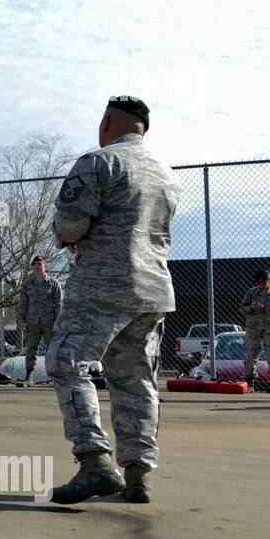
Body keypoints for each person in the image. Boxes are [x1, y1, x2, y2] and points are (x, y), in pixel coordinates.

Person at [46, 96, 178, 505]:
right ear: (144, 130)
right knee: (135, 377)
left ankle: (94, 462)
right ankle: (138, 475)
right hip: (153, 288)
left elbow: (71, 224)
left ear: (106, 123)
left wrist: (66, 236)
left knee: (67, 362)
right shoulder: (166, 172)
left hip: (104, 285)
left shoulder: (98, 162)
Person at [16, 255, 61, 386]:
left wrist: (58, 323)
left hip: (49, 323)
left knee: (52, 351)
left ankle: (56, 378)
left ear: (45, 266)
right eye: (35, 264)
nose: (37, 266)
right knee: (30, 351)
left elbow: (59, 304)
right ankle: (29, 377)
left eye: (40, 264)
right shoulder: (27, 284)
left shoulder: (53, 283)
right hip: (32, 323)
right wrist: (22, 321)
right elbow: (23, 304)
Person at [240, 269, 270, 393]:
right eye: (259, 281)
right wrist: (251, 308)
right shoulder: (251, 293)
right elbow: (242, 309)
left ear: (269, 280)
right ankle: (250, 383)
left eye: (264, 281)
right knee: (251, 356)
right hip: (253, 329)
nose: (262, 283)